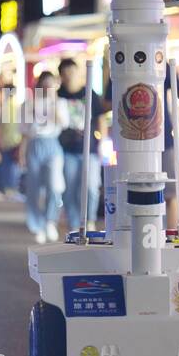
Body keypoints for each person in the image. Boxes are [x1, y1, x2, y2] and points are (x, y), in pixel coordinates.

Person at [57, 58, 109, 233]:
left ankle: (90, 220)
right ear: (61, 76)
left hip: (90, 149)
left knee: (91, 186)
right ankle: (74, 222)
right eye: (66, 73)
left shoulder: (89, 93)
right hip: (66, 150)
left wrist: (102, 143)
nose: (70, 76)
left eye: (72, 71)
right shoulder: (58, 95)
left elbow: (100, 118)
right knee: (69, 188)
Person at [20, 70, 69, 243]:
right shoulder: (29, 104)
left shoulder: (60, 103)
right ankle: (36, 225)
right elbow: (24, 131)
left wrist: (53, 103)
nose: (49, 87)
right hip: (34, 144)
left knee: (54, 185)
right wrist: (21, 153)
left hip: (52, 144)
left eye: (52, 84)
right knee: (33, 186)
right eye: (46, 84)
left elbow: (63, 123)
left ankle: (50, 221)